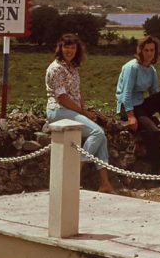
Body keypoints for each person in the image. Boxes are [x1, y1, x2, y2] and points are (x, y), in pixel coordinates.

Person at [45, 33, 113, 193]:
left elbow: (77, 94)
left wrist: (86, 110)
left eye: (72, 47)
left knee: (101, 138)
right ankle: (73, 175)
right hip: (58, 111)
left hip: (70, 110)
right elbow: (62, 98)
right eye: (66, 47)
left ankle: (104, 184)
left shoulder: (73, 68)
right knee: (97, 132)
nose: (69, 50)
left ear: (77, 50)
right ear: (60, 48)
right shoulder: (56, 69)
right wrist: (83, 112)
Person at [115, 36, 160, 185]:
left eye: (152, 50)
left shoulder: (151, 70)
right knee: (153, 131)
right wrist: (131, 116)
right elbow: (126, 94)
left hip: (141, 105)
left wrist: (157, 109)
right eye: (146, 50)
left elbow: (154, 94)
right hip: (127, 106)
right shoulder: (132, 67)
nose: (149, 53)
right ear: (140, 51)